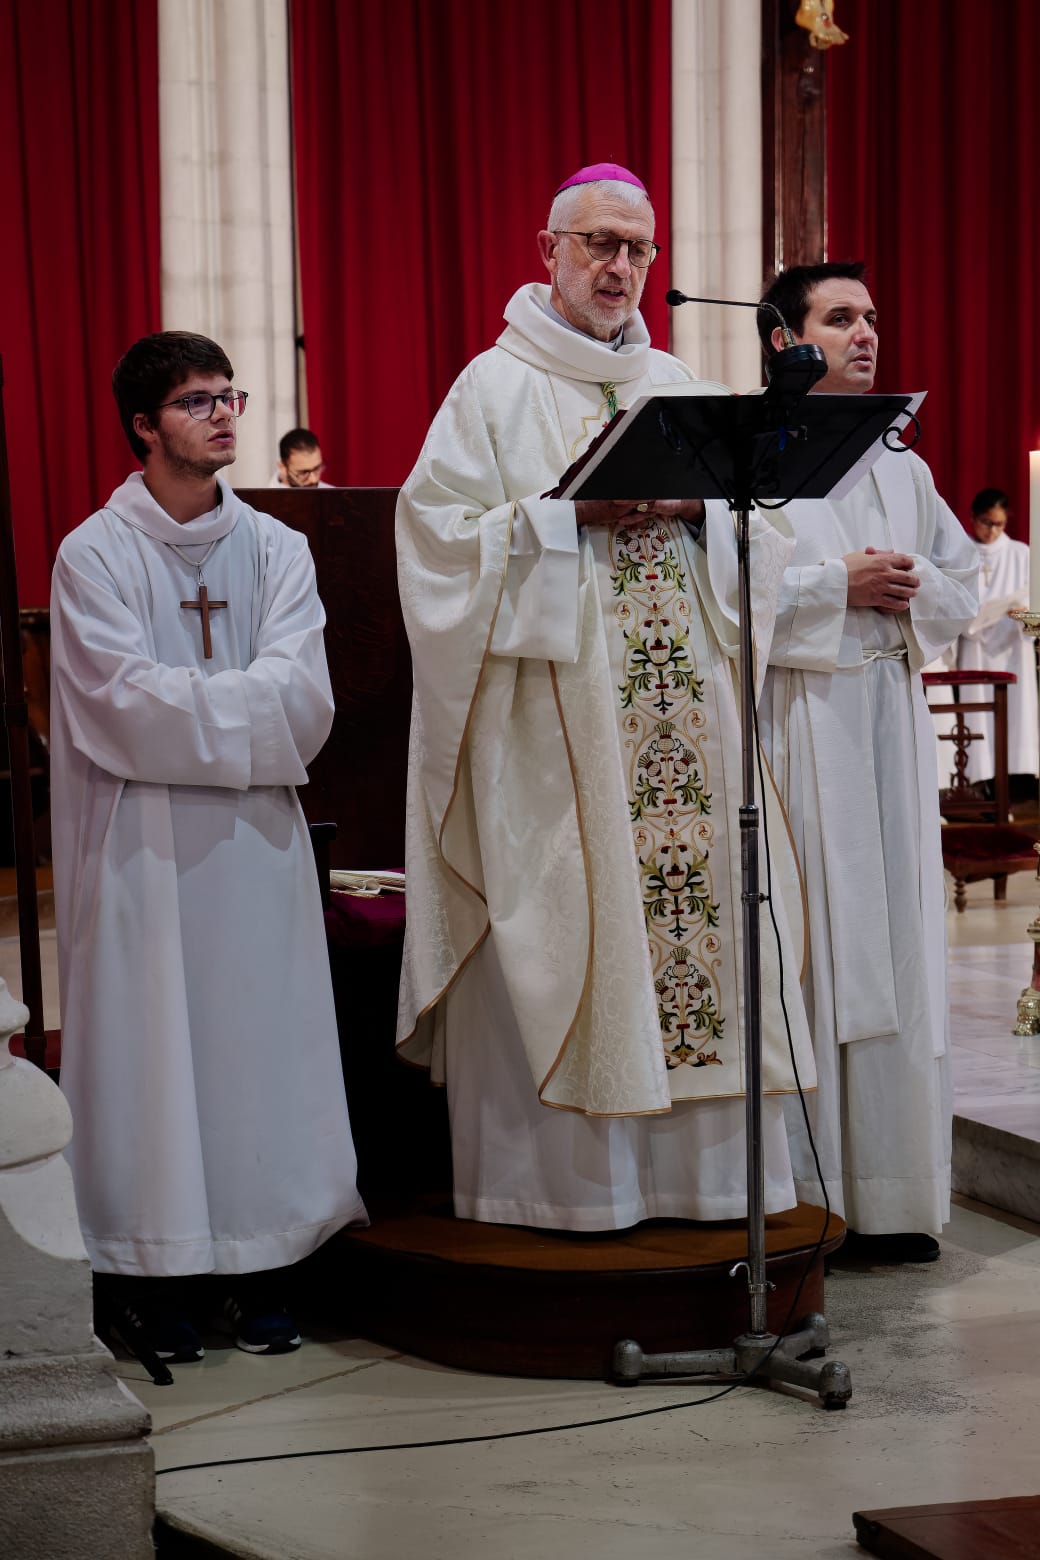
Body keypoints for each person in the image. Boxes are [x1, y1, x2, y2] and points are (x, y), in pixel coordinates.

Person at [395, 163, 815, 1232]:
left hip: (689, 728)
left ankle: (707, 1188)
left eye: (637, 248)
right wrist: (563, 518)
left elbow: (764, 534)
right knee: (574, 918)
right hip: (555, 728)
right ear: (549, 251)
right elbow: (434, 542)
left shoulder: (677, 382)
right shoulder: (491, 388)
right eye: (599, 243)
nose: (619, 266)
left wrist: (697, 510)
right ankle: (569, 1200)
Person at [50, 331, 366, 1363]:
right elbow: (119, 705)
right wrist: (242, 713)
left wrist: (203, 712)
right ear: (144, 426)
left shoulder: (277, 549)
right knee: (151, 1053)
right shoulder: (94, 554)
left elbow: (303, 699)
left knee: (257, 1050)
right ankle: (154, 1274)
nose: (224, 415)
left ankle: (263, 1264)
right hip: (139, 850)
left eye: (230, 396)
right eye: (197, 401)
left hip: (253, 845)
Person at [756, 262, 979, 1262]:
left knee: (898, 946)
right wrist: (827, 586)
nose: (864, 334)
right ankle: (812, 1199)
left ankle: (890, 1196)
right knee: (816, 951)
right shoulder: (752, 451)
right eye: (839, 317)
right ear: (784, 338)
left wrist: (906, 576)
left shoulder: (900, 460)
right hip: (803, 719)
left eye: (871, 318)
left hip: (888, 713)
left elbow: (958, 581)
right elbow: (720, 586)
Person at [954, 489, 1037, 795]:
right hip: (974, 646)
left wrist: (1024, 612)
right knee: (978, 715)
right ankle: (982, 782)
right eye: (986, 522)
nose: (991, 531)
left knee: (1015, 713)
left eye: (999, 524)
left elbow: (1035, 608)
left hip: (1012, 645)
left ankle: (1017, 785)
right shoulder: (961, 553)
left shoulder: (1021, 554)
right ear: (973, 518)